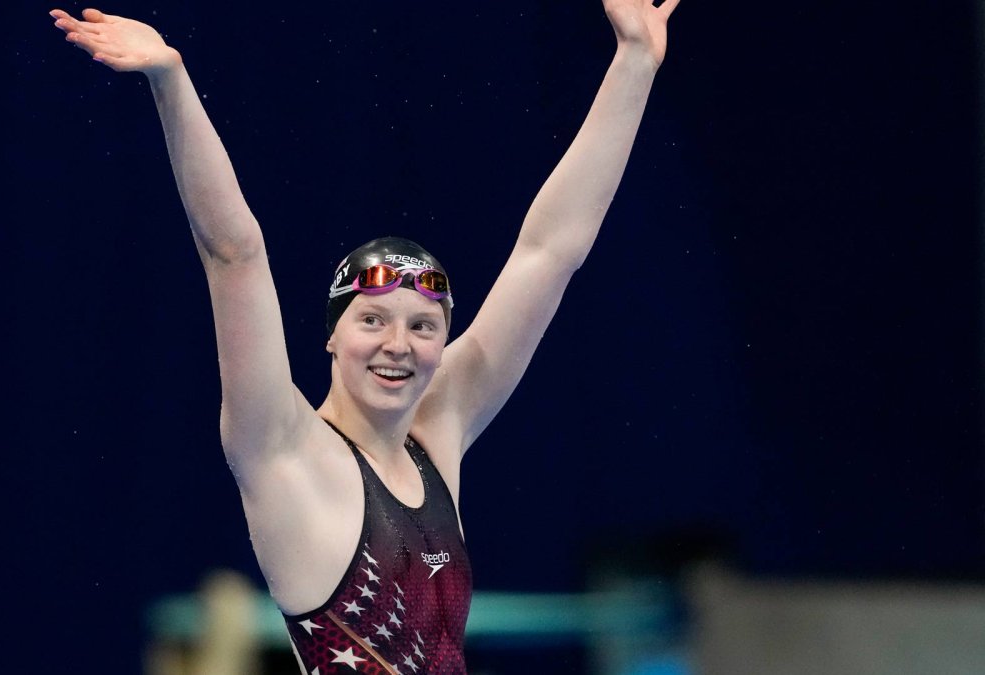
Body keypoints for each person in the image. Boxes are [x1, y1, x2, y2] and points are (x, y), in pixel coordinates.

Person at [50, 1, 679, 672]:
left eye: (423, 326)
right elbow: (233, 252)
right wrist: (170, 79)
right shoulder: (282, 448)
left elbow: (549, 251)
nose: (398, 345)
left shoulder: (439, 431)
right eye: (372, 319)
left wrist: (634, 63)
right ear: (331, 337)